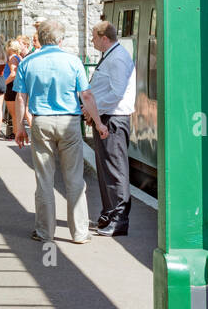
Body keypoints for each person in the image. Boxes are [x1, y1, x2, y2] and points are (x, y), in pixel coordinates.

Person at [14, 18, 89, 244]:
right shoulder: (73, 61)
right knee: (75, 178)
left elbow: (20, 97)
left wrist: (19, 127)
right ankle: (79, 233)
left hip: (41, 122)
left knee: (44, 179)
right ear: (60, 39)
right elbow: (85, 95)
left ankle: (45, 232)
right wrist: (98, 121)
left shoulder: (28, 62)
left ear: (41, 38)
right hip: (70, 122)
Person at [81, 21, 136, 237]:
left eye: (94, 37)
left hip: (114, 118)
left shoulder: (118, 59)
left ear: (105, 38)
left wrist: (93, 111)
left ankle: (119, 219)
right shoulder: (112, 56)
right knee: (105, 169)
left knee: (115, 169)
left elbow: (117, 93)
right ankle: (108, 214)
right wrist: (94, 114)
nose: (92, 41)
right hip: (106, 116)